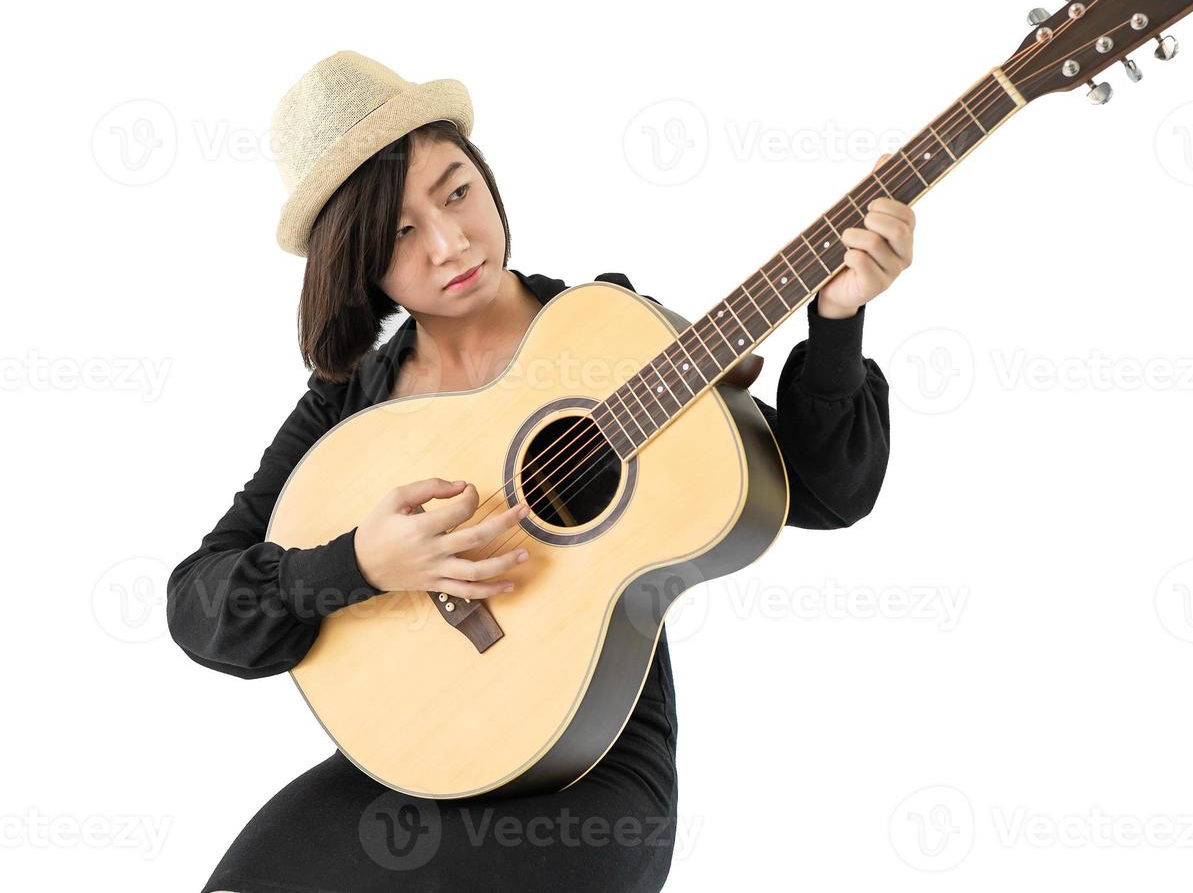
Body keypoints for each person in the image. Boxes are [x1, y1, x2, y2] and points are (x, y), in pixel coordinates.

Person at [166, 50, 912, 892]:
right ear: (358, 262)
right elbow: (199, 604)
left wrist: (837, 320)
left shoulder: (605, 337)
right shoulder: (348, 402)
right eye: (401, 233)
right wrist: (360, 566)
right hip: (406, 764)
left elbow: (823, 492)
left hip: (589, 768)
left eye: (456, 191)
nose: (451, 242)